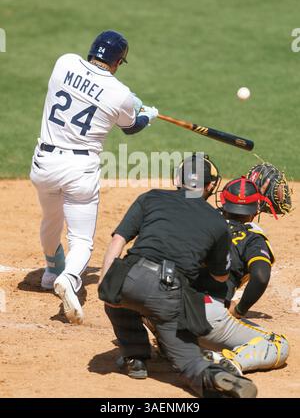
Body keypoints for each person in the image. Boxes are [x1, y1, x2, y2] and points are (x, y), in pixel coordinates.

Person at [98, 154, 257, 398]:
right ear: (211, 186)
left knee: (116, 297)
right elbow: (221, 277)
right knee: (187, 358)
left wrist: (106, 283)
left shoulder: (150, 197)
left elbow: (118, 240)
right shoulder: (217, 222)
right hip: (168, 294)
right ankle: (211, 376)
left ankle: (135, 357)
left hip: (131, 279)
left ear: (177, 179)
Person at [30, 30, 158, 324]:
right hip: (79, 171)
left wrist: (127, 102)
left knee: (51, 219)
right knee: (82, 239)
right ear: (117, 62)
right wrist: (145, 115)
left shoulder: (64, 62)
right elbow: (130, 127)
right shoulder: (120, 93)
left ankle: (51, 272)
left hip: (44, 163)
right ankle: (69, 277)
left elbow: (88, 89)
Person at [195, 176, 289, 373]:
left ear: (222, 202)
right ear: (255, 211)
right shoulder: (252, 239)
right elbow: (261, 276)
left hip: (162, 306)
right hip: (205, 318)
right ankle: (230, 362)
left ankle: (169, 343)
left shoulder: (199, 221)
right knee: (277, 344)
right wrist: (239, 311)